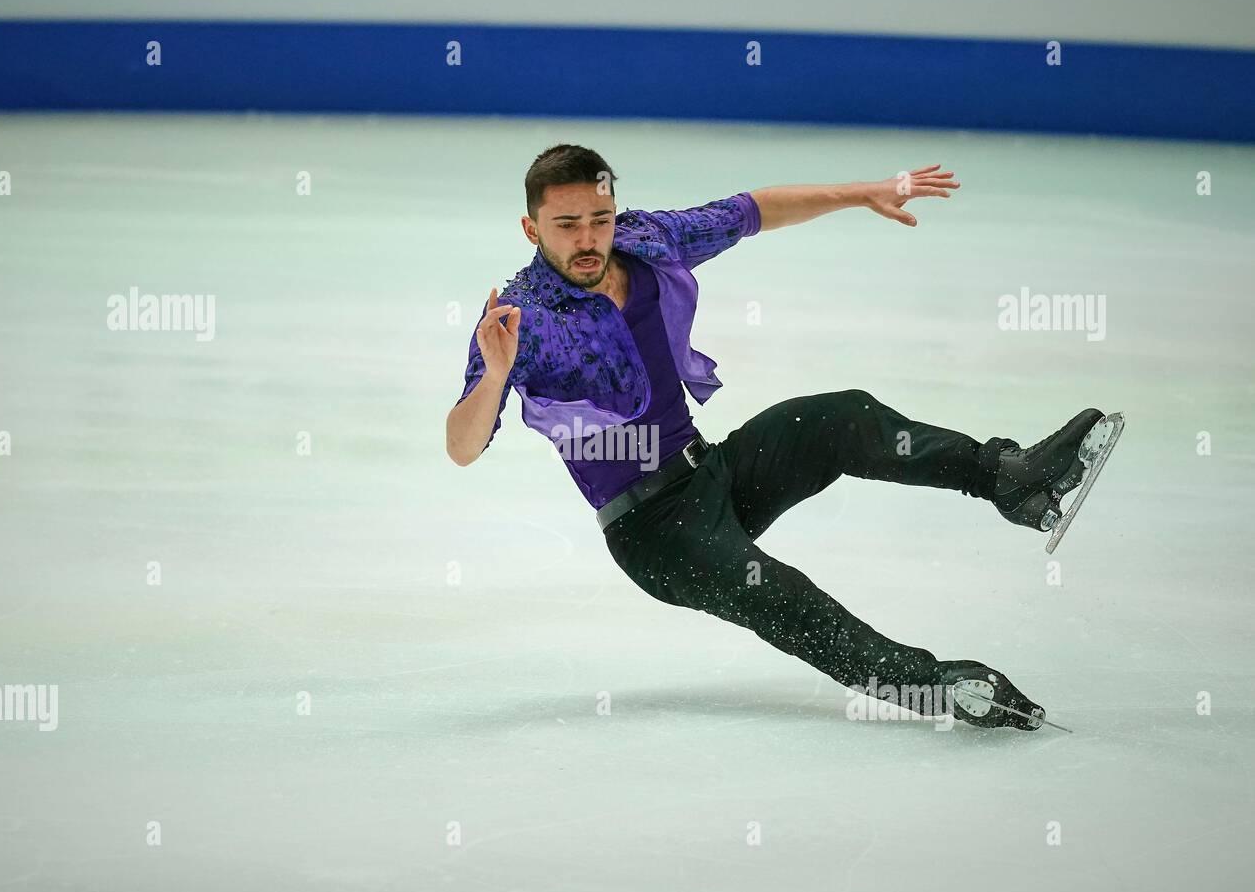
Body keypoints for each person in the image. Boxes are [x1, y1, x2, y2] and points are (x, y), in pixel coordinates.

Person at [447, 144, 1107, 731]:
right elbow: (462, 444)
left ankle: (1010, 479)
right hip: (655, 531)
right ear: (532, 228)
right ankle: (939, 685)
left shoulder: (644, 241)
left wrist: (862, 193)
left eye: (600, 218)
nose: (589, 238)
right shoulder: (518, 319)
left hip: (712, 475)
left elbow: (750, 210)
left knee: (840, 416)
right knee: (782, 595)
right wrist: (494, 376)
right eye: (567, 226)